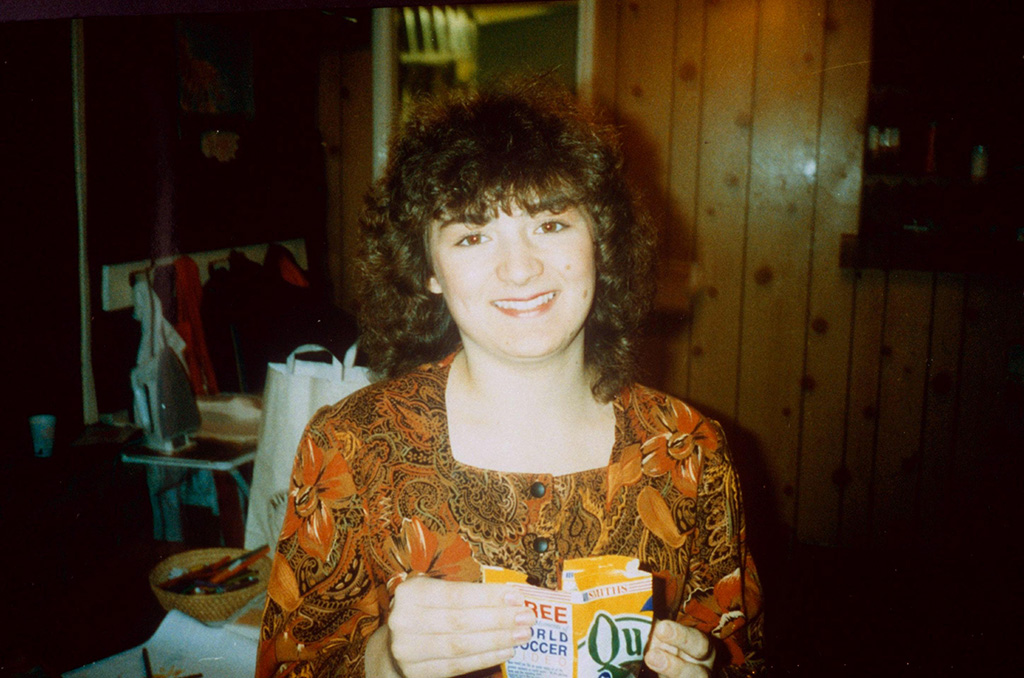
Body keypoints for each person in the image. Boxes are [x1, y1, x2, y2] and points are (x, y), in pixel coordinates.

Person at [256, 77, 765, 678]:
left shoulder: (691, 449)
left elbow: (740, 655)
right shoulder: (349, 445)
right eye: (472, 236)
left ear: (599, 239)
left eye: (550, 224)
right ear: (428, 270)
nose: (520, 269)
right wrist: (383, 662)